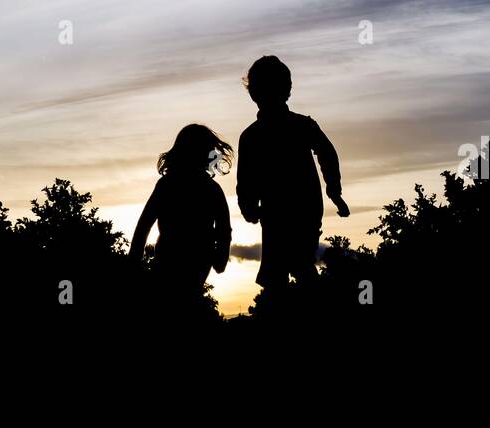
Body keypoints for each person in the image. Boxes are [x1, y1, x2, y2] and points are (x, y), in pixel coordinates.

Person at [236, 56, 348, 290]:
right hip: (293, 210)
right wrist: (333, 191)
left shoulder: (254, 135)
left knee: (285, 271)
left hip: (286, 211)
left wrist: (249, 207)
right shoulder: (296, 126)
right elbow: (328, 154)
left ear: (253, 93)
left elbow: (246, 180)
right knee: (296, 268)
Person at [129, 124, 233, 311]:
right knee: (182, 304)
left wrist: (133, 260)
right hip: (191, 257)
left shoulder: (168, 185)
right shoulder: (209, 189)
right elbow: (224, 229)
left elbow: (144, 224)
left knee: (173, 304)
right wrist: (221, 257)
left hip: (178, 257)